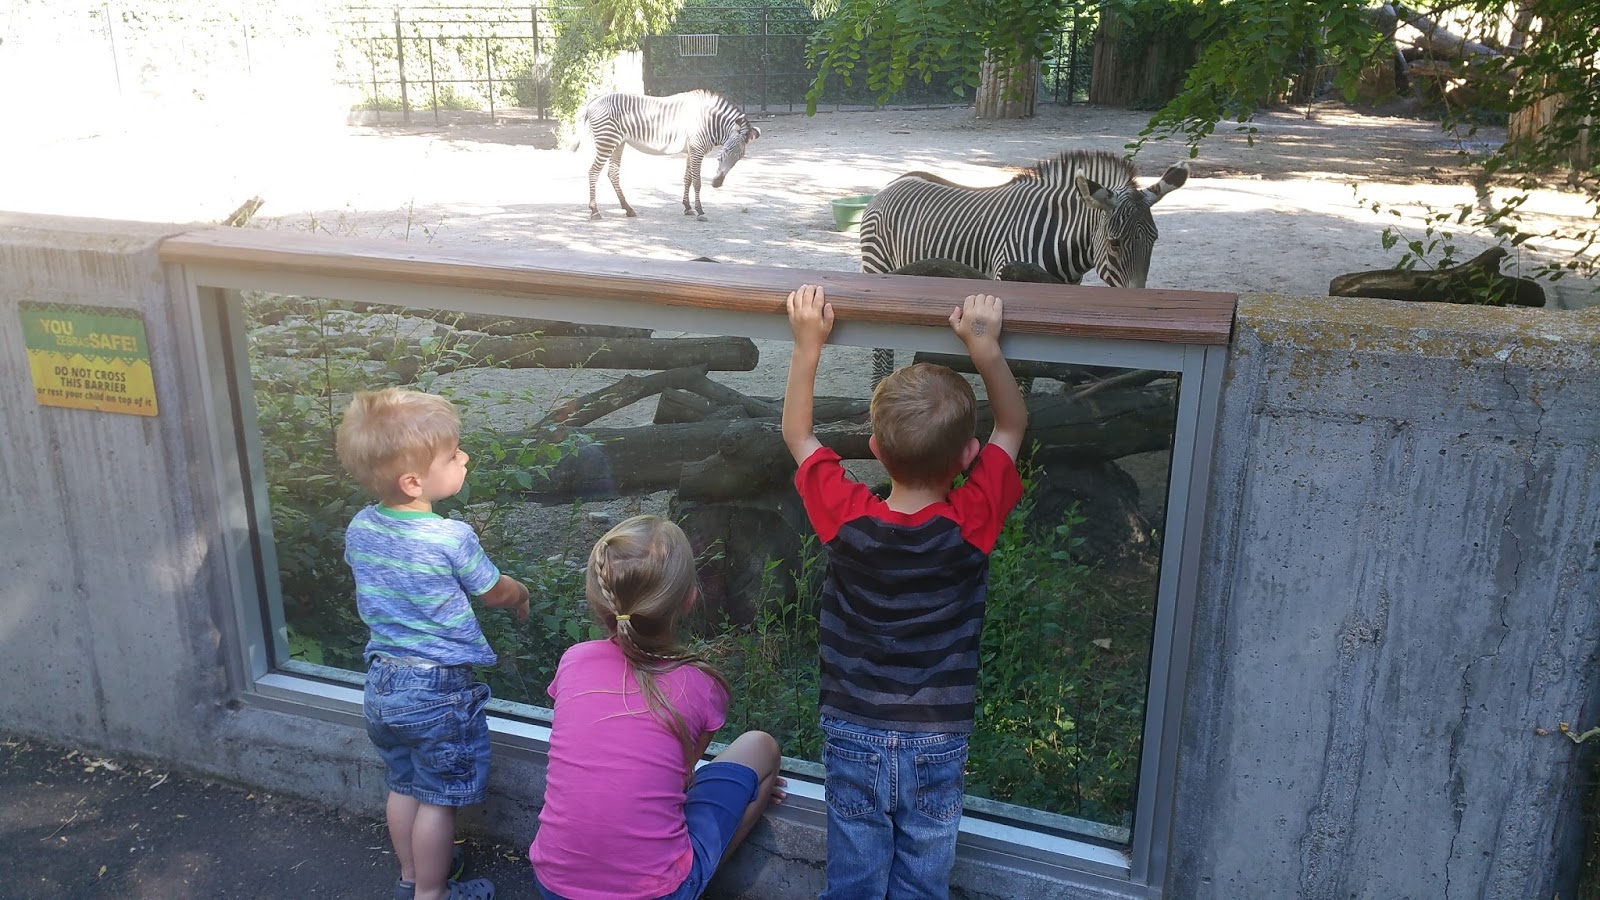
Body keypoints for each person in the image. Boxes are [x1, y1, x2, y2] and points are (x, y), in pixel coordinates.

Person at [781, 284, 1029, 899]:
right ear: (968, 456)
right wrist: (984, 346)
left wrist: (807, 343)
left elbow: (798, 435)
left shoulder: (848, 520)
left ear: (873, 449)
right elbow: (1013, 425)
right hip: (938, 736)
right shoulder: (970, 526)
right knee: (923, 882)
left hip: (853, 729)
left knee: (854, 882)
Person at [336, 387, 532, 900]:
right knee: (439, 799)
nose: (463, 457)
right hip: (436, 689)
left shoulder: (360, 527)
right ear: (413, 481)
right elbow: (493, 592)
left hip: (382, 683)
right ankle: (433, 892)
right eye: (453, 454)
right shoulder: (451, 537)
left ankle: (411, 877)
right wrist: (520, 592)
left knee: (403, 784)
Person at [529, 515, 787, 900]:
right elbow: (684, 778)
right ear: (689, 598)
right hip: (655, 893)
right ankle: (693, 878)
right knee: (761, 747)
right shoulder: (702, 683)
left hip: (553, 885)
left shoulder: (574, 660)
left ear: (597, 597)